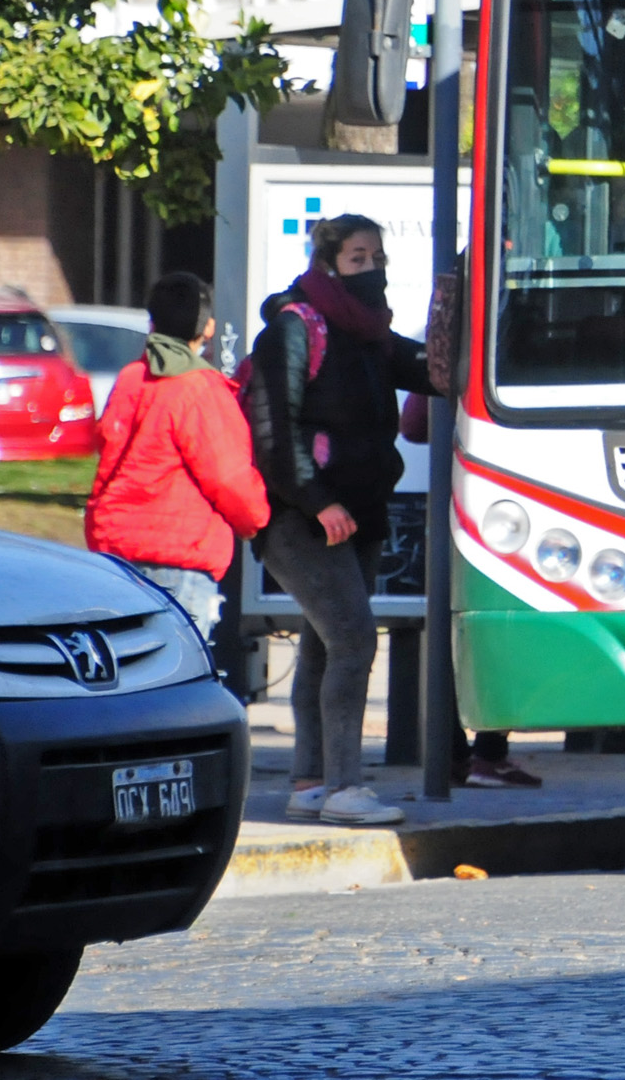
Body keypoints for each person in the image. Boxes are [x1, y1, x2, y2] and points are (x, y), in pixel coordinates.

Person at [245, 214, 432, 828]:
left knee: (327, 646)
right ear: (328, 264)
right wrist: (318, 500)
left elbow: (432, 368)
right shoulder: (295, 328)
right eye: (357, 259)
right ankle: (345, 788)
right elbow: (273, 431)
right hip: (301, 518)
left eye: (377, 257)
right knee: (352, 638)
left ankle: (310, 781)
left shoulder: (371, 337)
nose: (372, 270)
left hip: (359, 515)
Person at [85, 272, 268, 644]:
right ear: (209, 328)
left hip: (115, 550)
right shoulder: (201, 388)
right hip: (181, 559)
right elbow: (228, 476)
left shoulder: (132, 377)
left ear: (152, 322)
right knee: (177, 684)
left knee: (128, 678)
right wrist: (255, 521)